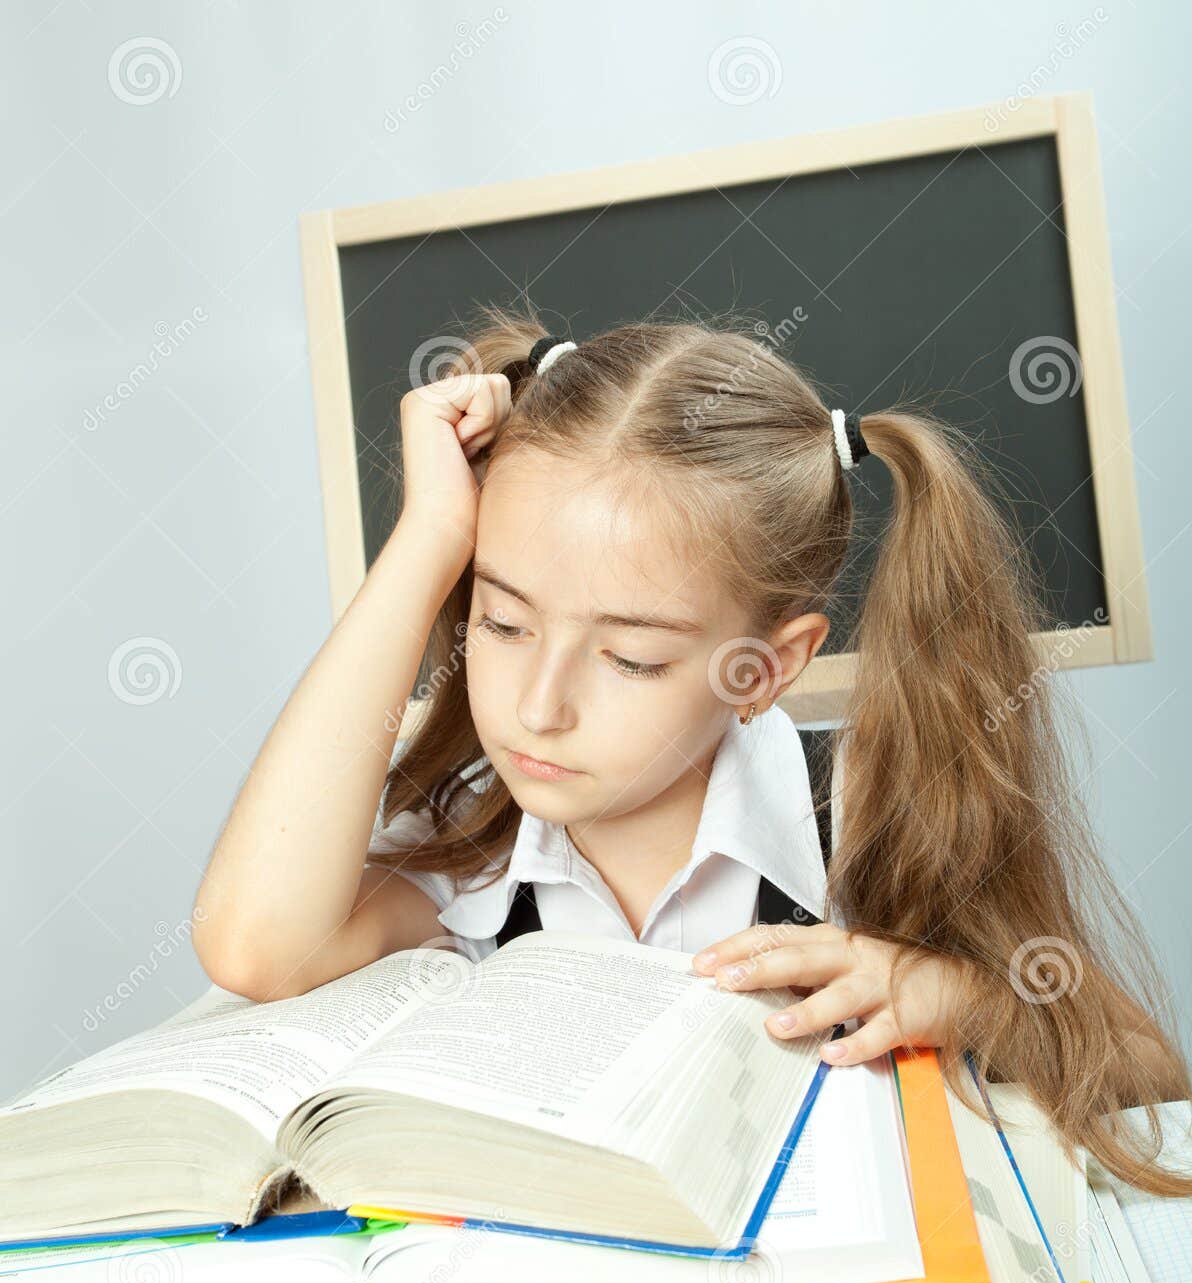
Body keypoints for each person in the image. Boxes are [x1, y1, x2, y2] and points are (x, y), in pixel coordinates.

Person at [193, 309, 1190, 1193]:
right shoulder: (474, 842)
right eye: (500, 624)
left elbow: (1144, 1069)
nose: (539, 709)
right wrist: (426, 542)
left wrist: (969, 999)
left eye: (629, 659)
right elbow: (253, 943)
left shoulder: (860, 808)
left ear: (763, 669)